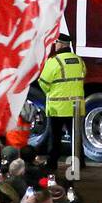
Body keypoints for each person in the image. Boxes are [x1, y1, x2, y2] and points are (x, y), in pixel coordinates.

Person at [37, 33, 86, 174]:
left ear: (61, 44)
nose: (55, 45)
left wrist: (51, 93)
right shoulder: (79, 61)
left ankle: (52, 164)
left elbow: (43, 82)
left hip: (57, 108)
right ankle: (80, 162)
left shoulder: (54, 62)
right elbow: (83, 75)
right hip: (76, 108)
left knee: (55, 138)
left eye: (56, 43)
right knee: (76, 137)